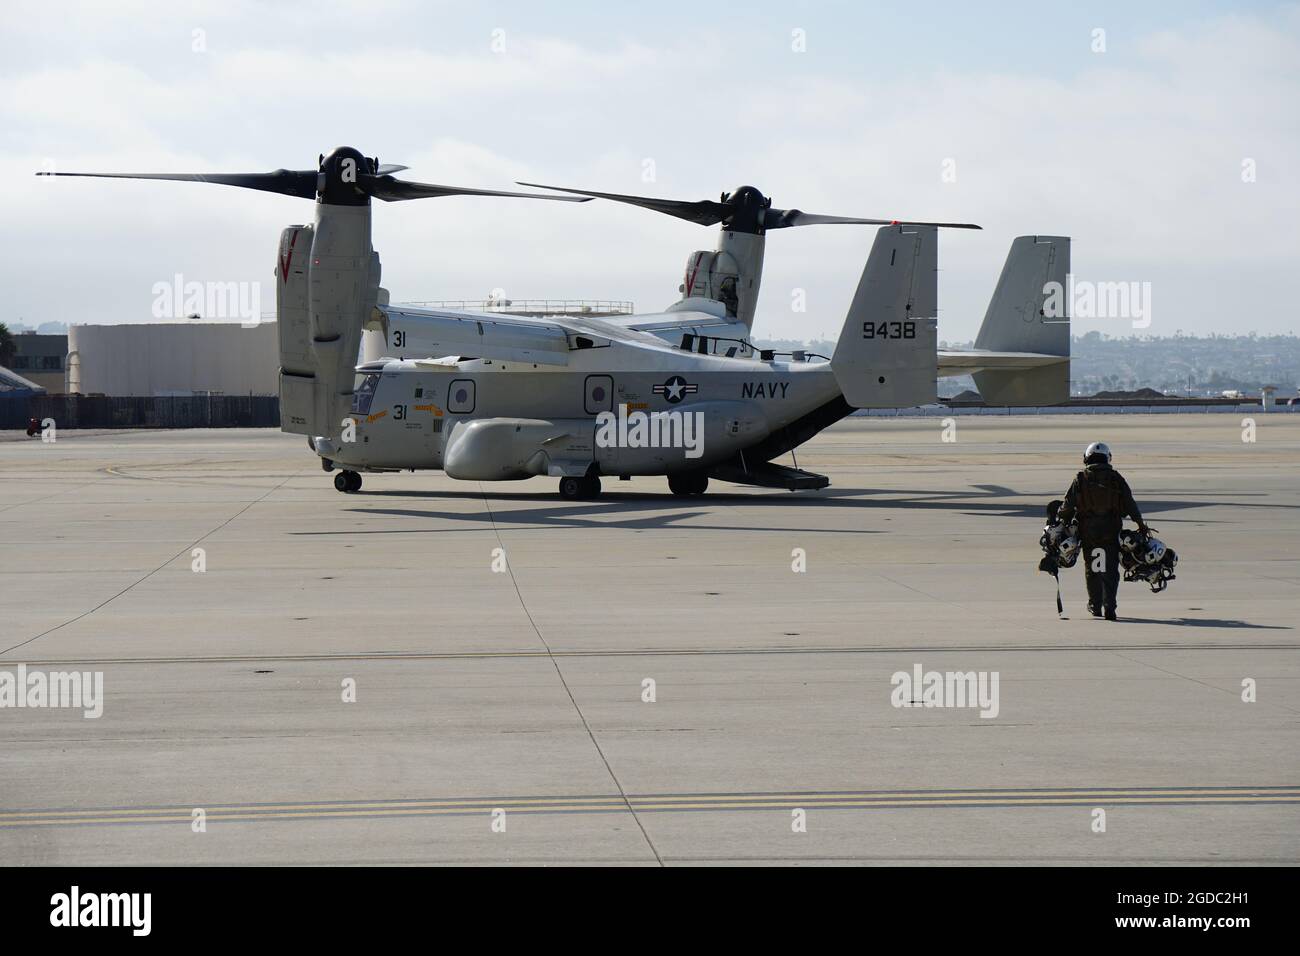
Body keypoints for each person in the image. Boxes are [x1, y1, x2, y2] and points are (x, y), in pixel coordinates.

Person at [1057, 442, 1147, 620]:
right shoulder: (1115, 478)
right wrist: (1141, 524)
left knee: (1092, 567)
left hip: (1088, 529)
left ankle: (1095, 605)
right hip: (1111, 527)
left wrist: (1061, 523)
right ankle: (1110, 607)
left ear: (1087, 457)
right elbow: (1130, 503)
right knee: (1111, 569)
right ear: (1107, 457)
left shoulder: (1081, 478)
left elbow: (1067, 506)